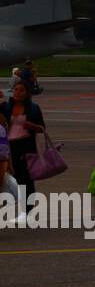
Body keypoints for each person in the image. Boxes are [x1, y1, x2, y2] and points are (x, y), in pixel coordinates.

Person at [0, 79, 47, 216]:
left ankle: (27, 210)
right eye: (16, 90)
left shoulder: (33, 108)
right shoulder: (5, 107)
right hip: (9, 147)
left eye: (21, 90)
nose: (18, 93)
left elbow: (42, 128)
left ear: (27, 93)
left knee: (26, 179)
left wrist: (31, 126)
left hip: (26, 147)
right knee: (12, 178)